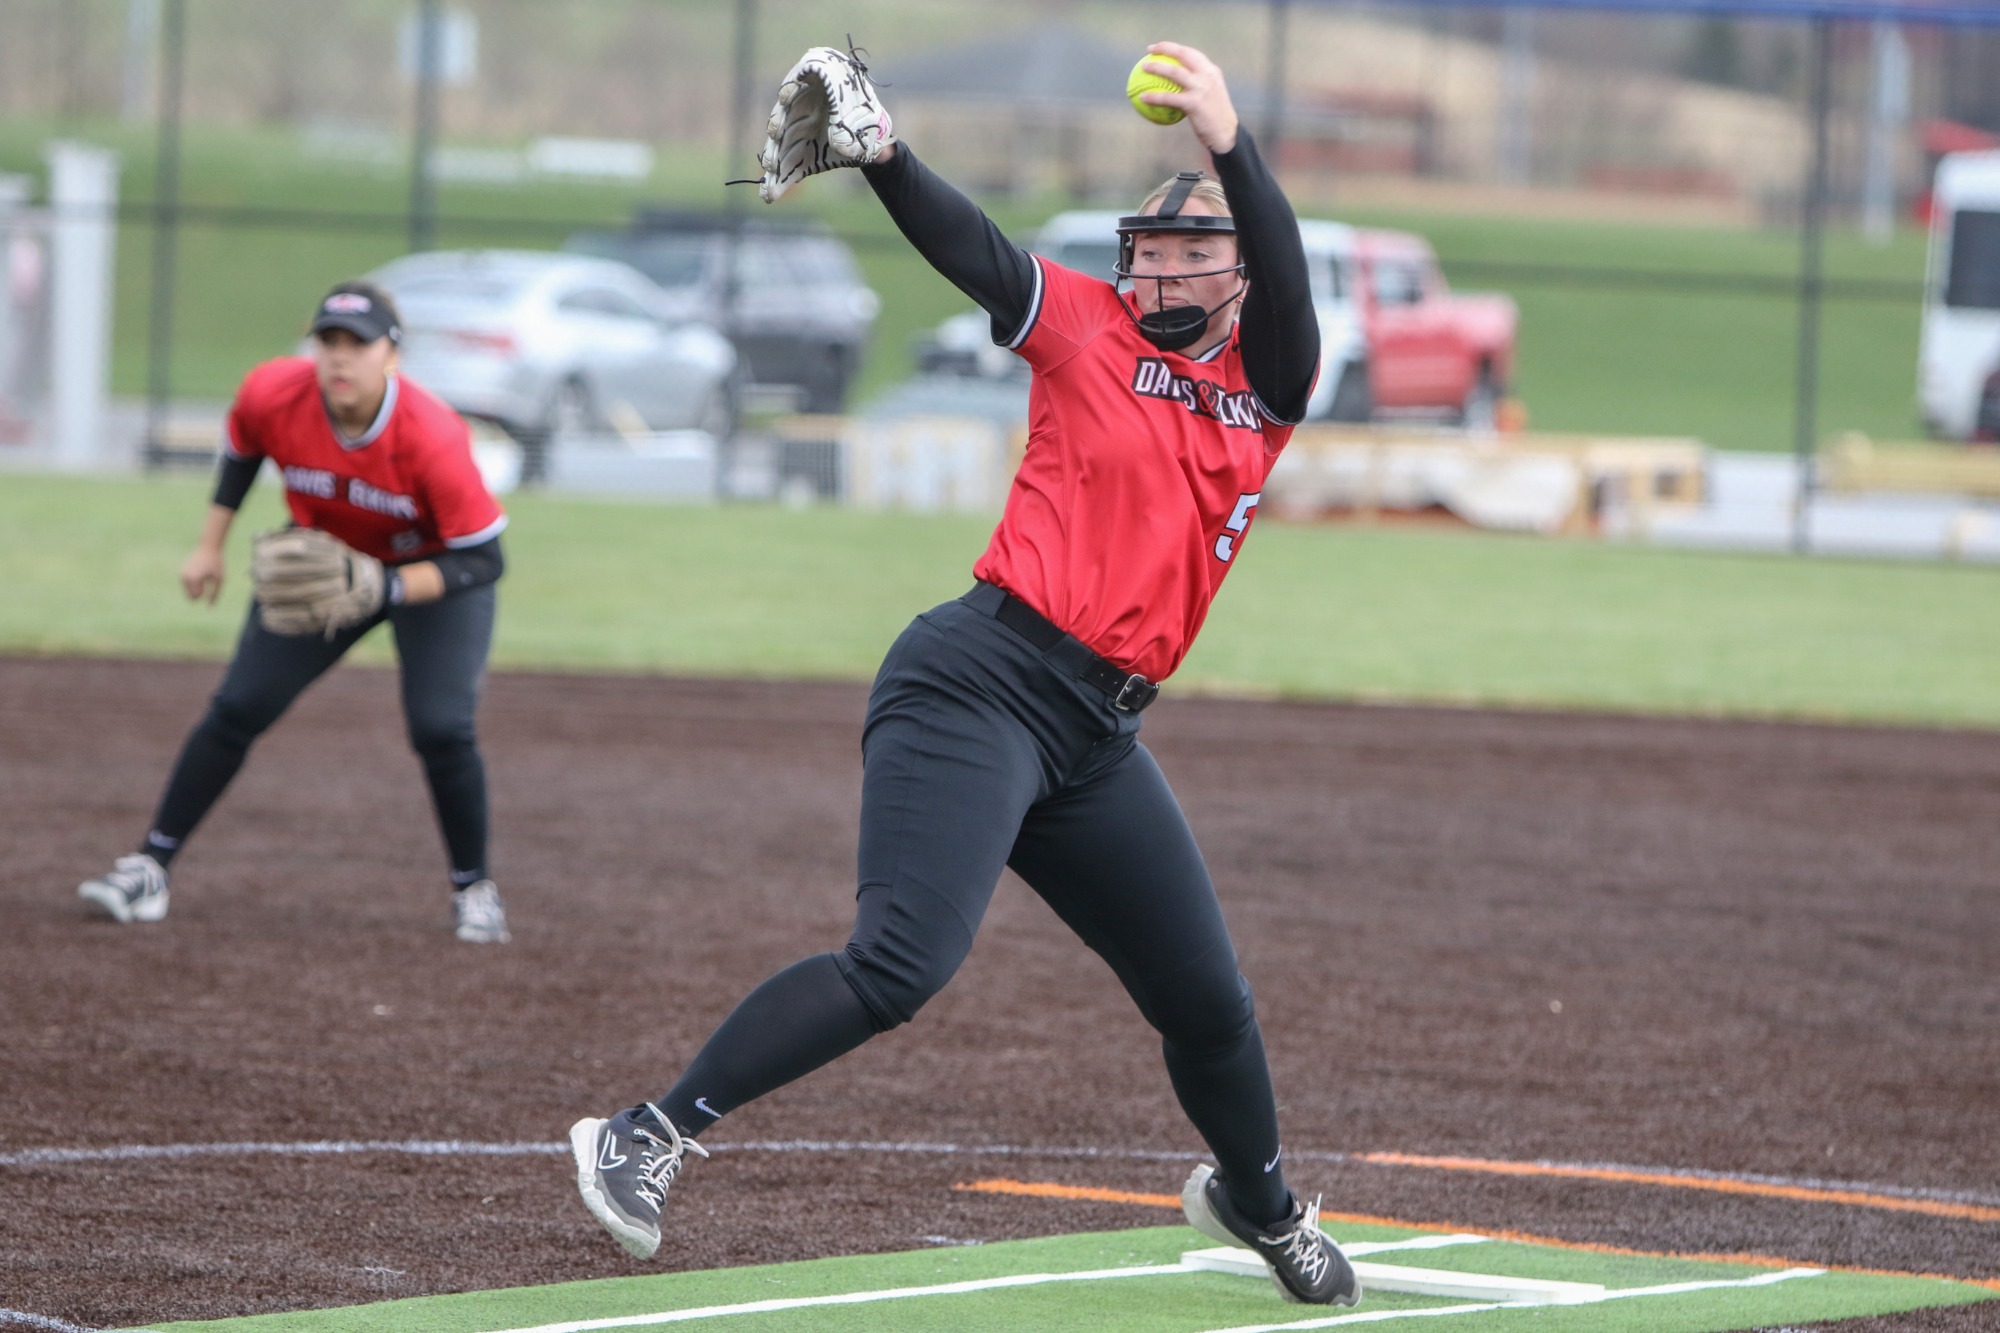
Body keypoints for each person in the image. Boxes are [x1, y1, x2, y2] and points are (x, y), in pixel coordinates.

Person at [569, 41, 1359, 1306]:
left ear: (1244, 279)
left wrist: (1226, 138)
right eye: (1145, 255)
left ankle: (1259, 1208)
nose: (1157, 272)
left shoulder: (1265, 389)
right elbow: (971, 245)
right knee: (901, 962)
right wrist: (883, 157)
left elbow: (1285, 269)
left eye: (1189, 258)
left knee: (1208, 1001)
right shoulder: (1085, 330)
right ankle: (646, 1133)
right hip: (977, 682)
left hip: (1096, 736)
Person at [75, 281, 513, 944]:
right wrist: (209, 546)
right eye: (328, 341)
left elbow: (484, 560)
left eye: (357, 344)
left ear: (391, 355)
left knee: (441, 728)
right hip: (320, 570)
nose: (340, 357)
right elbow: (244, 451)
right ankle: (149, 866)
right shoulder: (274, 393)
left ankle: (474, 889)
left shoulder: (432, 436)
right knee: (238, 706)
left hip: (432, 578)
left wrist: (386, 588)